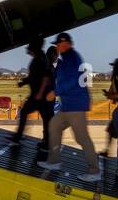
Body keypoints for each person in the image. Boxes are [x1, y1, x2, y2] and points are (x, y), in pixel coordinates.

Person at [37, 32, 101, 182]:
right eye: (57, 45)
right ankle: (54, 161)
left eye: (59, 44)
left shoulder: (72, 57)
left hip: (76, 105)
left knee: (81, 138)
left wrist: (55, 92)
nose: (57, 47)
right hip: (68, 105)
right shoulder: (64, 59)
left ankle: (95, 170)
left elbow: (72, 79)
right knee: (54, 126)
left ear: (68, 44)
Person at [13, 40, 53, 156]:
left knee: (26, 112)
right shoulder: (38, 59)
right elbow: (33, 77)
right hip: (38, 94)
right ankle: (46, 143)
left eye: (28, 50)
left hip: (40, 95)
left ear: (33, 50)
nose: (27, 52)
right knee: (45, 119)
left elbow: (45, 78)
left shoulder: (41, 60)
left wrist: (40, 93)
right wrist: (23, 82)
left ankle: (18, 137)